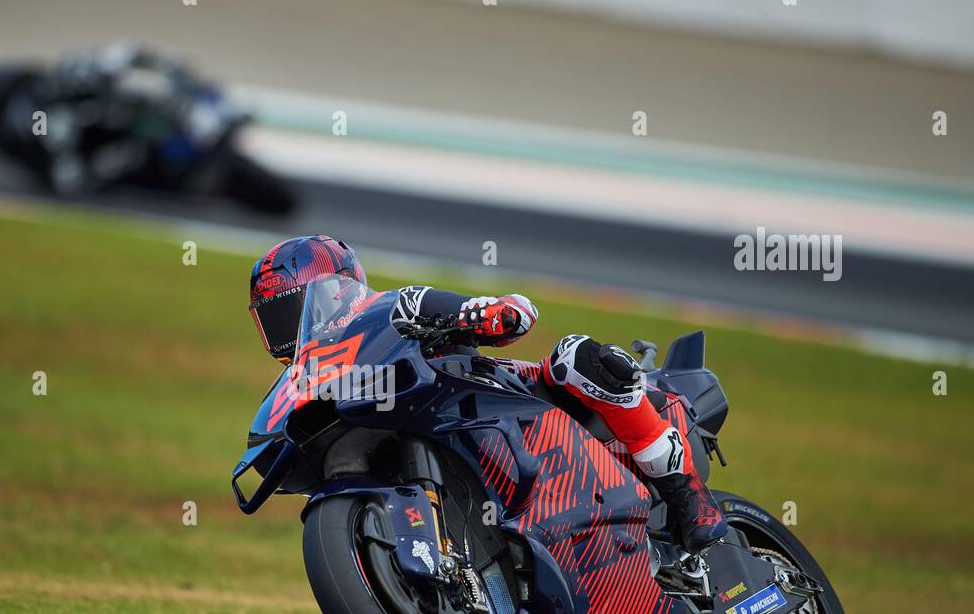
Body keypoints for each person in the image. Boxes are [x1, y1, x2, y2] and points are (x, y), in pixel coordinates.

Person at [248, 235, 727, 553]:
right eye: (273, 318)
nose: (288, 327)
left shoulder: (392, 307)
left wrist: (487, 314)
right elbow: (267, 435)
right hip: (457, 450)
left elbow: (514, 310)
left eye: (292, 307)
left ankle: (685, 494)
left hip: (516, 397)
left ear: (340, 286)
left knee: (575, 356)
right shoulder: (299, 380)